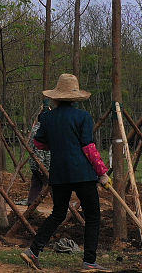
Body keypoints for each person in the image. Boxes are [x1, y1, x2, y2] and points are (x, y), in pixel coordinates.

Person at [21, 74, 111, 273]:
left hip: (59, 174)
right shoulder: (83, 117)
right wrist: (102, 172)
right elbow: (88, 146)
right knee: (93, 215)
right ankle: (89, 261)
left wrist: (59, 142)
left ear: (56, 96)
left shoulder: (47, 118)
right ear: (75, 97)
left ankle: (33, 251)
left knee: (58, 213)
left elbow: (39, 143)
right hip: (83, 174)